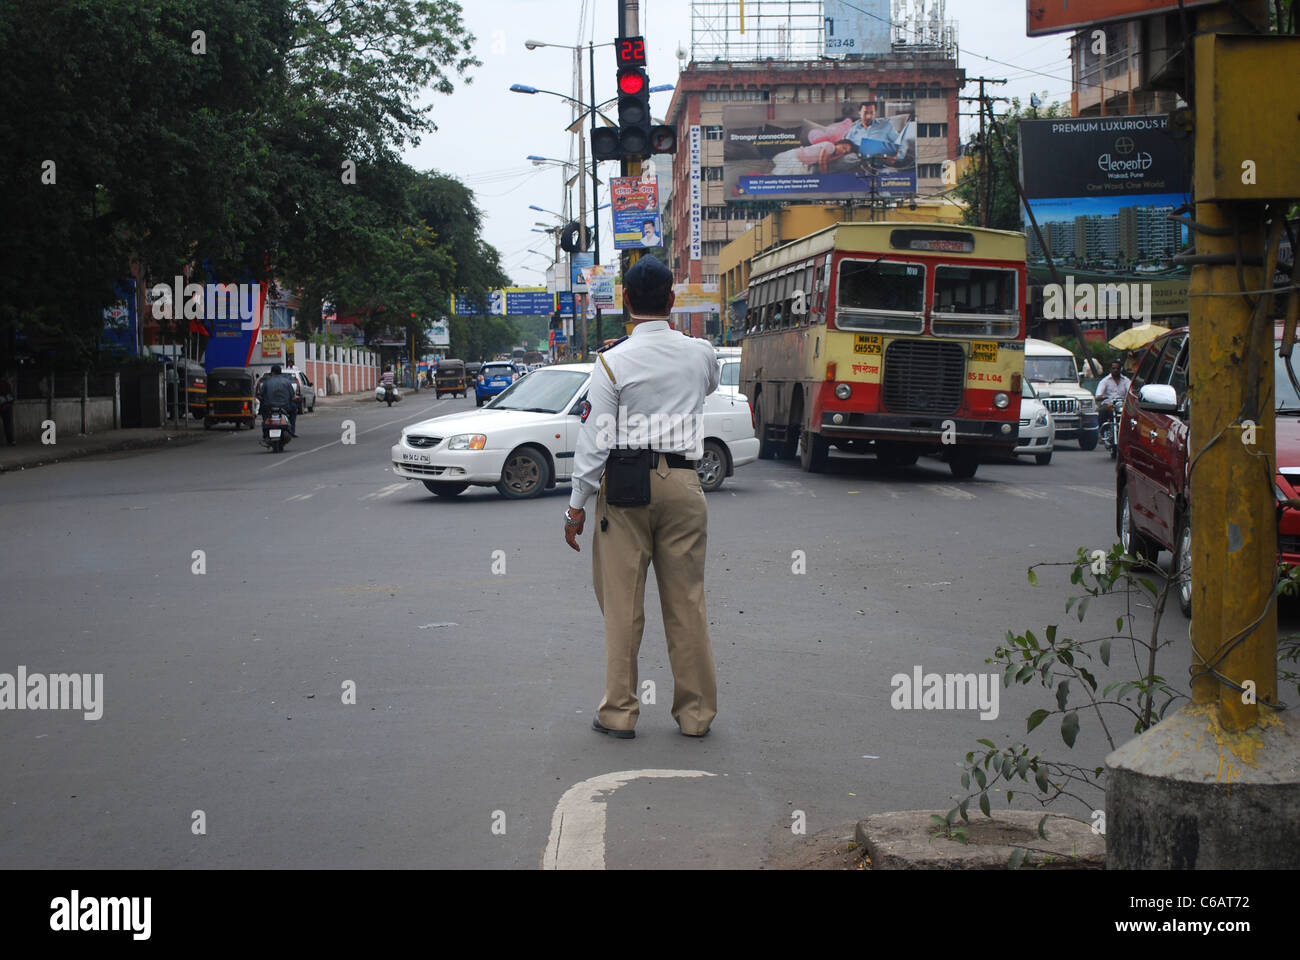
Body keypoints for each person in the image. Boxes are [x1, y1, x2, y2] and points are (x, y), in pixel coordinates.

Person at [563, 255, 720, 740]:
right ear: (672, 301)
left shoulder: (612, 362)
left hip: (626, 489)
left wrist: (576, 505)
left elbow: (595, 440)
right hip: (686, 484)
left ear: (625, 301)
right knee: (687, 602)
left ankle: (619, 713)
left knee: (623, 606)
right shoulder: (701, 354)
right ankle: (695, 716)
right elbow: (708, 387)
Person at [845, 101, 901, 165]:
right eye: (865, 113)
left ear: (875, 113)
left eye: (872, 112)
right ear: (859, 112)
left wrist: (896, 156)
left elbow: (899, 143)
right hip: (859, 163)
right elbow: (846, 145)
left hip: (882, 163)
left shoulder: (886, 125)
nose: (868, 116)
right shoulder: (853, 129)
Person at [769, 139, 856, 175]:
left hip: (801, 159)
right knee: (782, 173)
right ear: (838, 143)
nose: (843, 151)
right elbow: (822, 162)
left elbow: (827, 160)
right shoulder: (830, 146)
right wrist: (825, 178)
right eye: (844, 148)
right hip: (796, 156)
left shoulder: (831, 153)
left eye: (846, 152)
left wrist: (838, 156)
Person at [256, 363, 297, 435]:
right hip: (285, 407)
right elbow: (292, 396)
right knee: (294, 408)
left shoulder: (267, 382)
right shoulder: (287, 382)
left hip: (269, 407)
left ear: (272, 372)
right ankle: (292, 430)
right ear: (280, 372)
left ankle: (265, 431)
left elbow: (261, 394)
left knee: (264, 412)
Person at [1095, 359, 1131, 431]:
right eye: (1113, 368)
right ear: (1110, 369)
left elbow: (1130, 391)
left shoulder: (1126, 380)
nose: (1115, 370)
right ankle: (1102, 432)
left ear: (1121, 369)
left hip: (1121, 405)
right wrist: (1102, 397)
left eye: (1117, 368)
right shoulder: (1104, 381)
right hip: (1109, 405)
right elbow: (1098, 395)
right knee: (1102, 411)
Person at [0, 370, 15, 445]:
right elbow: (11, 393)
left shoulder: (6, 383)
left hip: (4, 404)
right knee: (8, 424)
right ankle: (11, 441)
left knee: (8, 424)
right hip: (7, 405)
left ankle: (11, 440)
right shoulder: (7, 383)